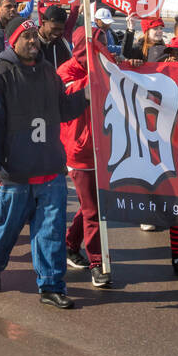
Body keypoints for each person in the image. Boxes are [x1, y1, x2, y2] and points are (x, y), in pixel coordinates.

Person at [0, 20, 90, 309]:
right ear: (13, 41)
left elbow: (64, 108)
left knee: (50, 232)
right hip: (15, 172)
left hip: (50, 169)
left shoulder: (48, 72)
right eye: (26, 37)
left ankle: (51, 286)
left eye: (33, 37)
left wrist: (87, 95)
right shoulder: (0, 74)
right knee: (6, 230)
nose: (32, 42)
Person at [57, 27, 113, 287]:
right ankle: (97, 262)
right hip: (80, 151)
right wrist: (92, 79)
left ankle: (70, 244)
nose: (101, 48)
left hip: (104, 147)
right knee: (94, 210)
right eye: (96, 44)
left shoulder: (104, 66)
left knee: (92, 205)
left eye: (103, 43)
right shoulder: (66, 71)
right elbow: (67, 98)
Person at [38, 5, 74, 69]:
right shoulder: (31, 43)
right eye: (54, 29)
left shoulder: (63, 44)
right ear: (43, 22)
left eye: (60, 29)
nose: (57, 33)